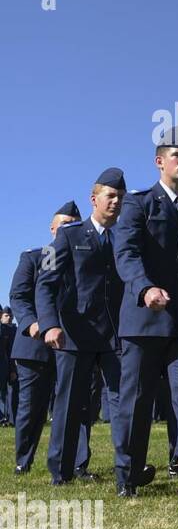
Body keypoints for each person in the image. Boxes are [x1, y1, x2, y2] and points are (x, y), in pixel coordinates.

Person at [114, 126, 178, 496]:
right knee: (136, 402)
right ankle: (128, 474)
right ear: (159, 162)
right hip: (144, 322)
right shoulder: (137, 204)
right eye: (177, 156)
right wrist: (145, 287)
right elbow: (127, 253)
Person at [36, 169, 135, 490]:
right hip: (74, 334)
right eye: (111, 196)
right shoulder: (68, 235)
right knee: (69, 403)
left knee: (122, 403)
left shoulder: (126, 236)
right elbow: (45, 284)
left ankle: (127, 471)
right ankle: (61, 471)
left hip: (116, 336)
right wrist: (49, 325)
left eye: (121, 197)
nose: (116, 202)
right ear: (94, 199)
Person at [8, 203, 85, 474]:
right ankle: (23, 461)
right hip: (36, 344)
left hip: (74, 342)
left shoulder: (85, 260)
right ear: (53, 229)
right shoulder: (36, 257)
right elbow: (19, 296)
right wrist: (31, 324)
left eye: (75, 224)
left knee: (76, 404)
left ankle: (77, 464)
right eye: (65, 224)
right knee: (32, 408)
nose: (69, 229)